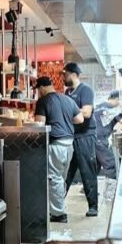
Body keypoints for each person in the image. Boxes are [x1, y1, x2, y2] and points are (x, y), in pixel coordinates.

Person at [34, 76, 84, 223]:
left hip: (55, 144)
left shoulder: (43, 101)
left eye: (38, 90)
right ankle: (59, 208)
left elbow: (39, 124)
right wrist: (66, 119)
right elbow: (80, 119)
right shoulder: (67, 99)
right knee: (60, 178)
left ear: (42, 88)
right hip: (69, 144)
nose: (38, 93)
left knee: (54, 178)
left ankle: (58, 214)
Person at [62, 62, 99, 217]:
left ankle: (93, 207)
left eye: (65, 74)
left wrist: (71, 112)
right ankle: (57, 206)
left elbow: (87, 113)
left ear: (74, 74)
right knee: (66, 173)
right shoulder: (66, 93)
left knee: (87, 171)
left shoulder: (85, 90)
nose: (63, 77)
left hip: (85, 136)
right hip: (71, 137)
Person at [94, 90, 122, 179]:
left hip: (92, 138)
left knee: (95, 166)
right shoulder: (113, 108)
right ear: (117, 99)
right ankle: (112, 189)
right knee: (110, 165)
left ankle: (89, 189)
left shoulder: (100, 106)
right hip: (100, 140)